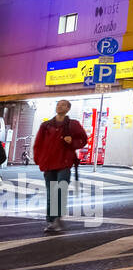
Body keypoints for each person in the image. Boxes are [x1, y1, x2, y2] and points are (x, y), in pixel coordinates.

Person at [33, 100, 87, 234]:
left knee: (60, 191)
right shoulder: (46, 126)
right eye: (58, 104)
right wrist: (39, 160)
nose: (59, 106)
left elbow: (83, 140)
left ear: (68, 109)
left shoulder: (73, 124)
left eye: (63, 105)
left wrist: (72, 142)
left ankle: (57, 218)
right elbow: (38, 144)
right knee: (51, 192)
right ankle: (52, 221)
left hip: (64, 162)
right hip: (48, 163)